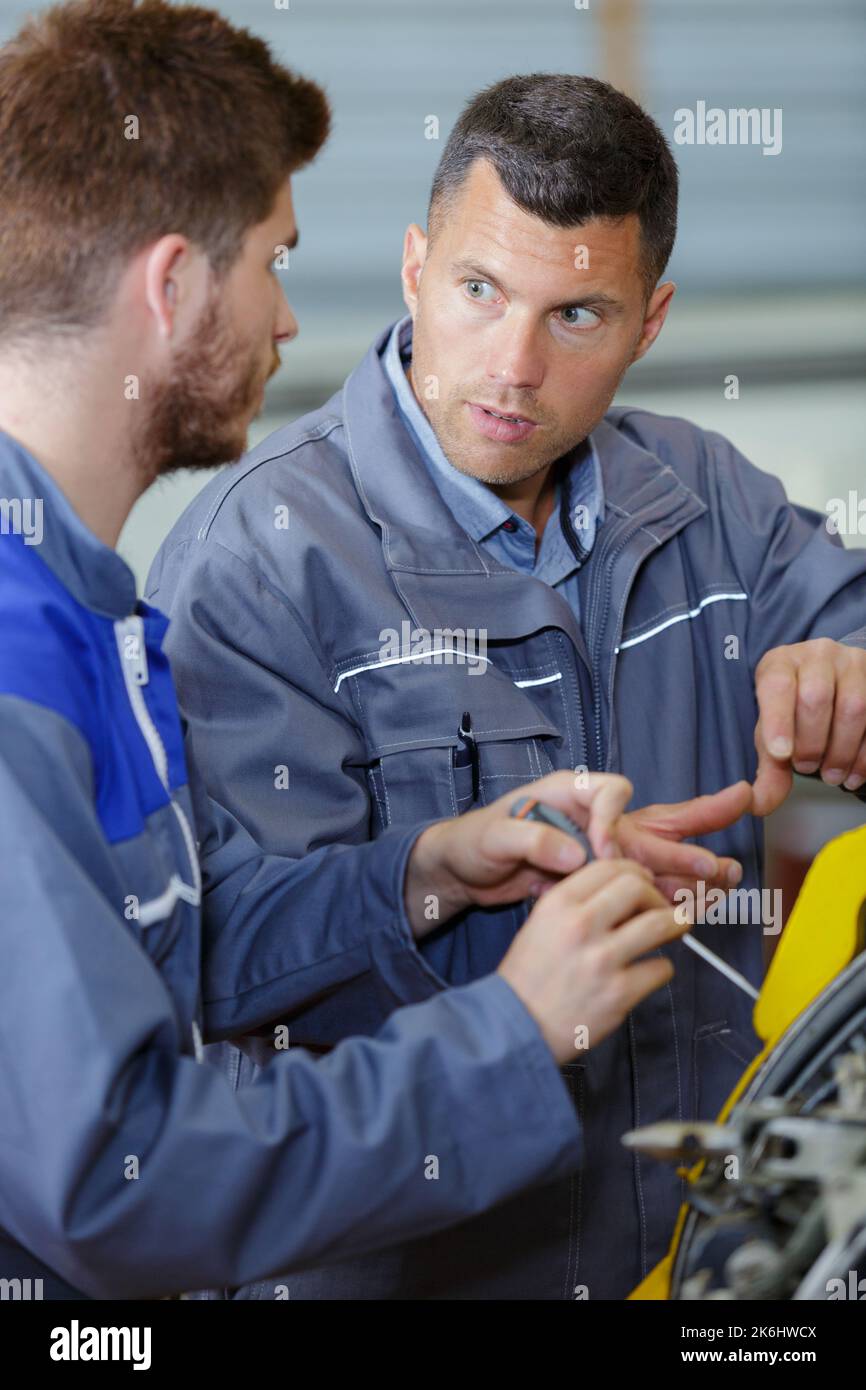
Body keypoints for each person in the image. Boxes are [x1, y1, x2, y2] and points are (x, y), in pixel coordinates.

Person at [0, 0, 700, 1301]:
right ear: (171, 285)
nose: (282, 320)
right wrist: (509, 1031)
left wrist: (427, 870)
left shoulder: (87, 608)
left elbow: (171, 954)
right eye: (272, 259)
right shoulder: (13, 655)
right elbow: (116, 1175)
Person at [150, 72, 866, 1299]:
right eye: (480, 292)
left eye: (576, 315)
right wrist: (439, 882)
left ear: (649, 323)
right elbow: (222, 961)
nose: (514, 365)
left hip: (706, 1267)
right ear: (415, 266)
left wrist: (846, 671)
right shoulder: (260, 554)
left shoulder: (710, 500)